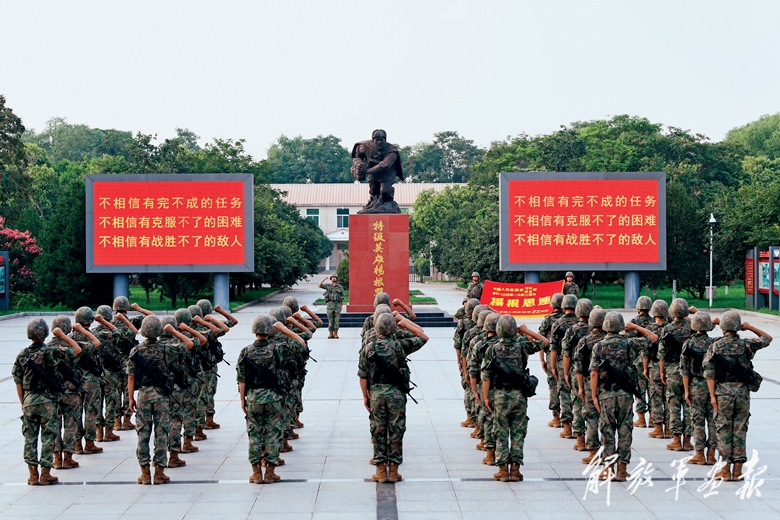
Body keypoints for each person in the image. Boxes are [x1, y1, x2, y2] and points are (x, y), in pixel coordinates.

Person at [359, 313, 428, 483]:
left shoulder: (368, 348)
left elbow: (363, 375)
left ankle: (381, 471)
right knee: (396, 430)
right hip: (396, 394)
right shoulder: (400, 346)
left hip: (376, 394)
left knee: (378, 430)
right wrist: (405, 323)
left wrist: (365, 396)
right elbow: (423, 337)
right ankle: (394, 471)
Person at [704, 311, 772, 481]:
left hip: (723, 393)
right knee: (740, 429)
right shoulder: (746, 344)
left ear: (723, 327)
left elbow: (710, 373)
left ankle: (725, 469)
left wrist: (712, 396)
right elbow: (768, 338)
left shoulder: (716, 346)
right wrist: (749, 327)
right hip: (742, 392)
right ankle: (738, 470)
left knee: (723, 430)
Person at [590, 312, 657, 481]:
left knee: (607, 431)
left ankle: (608, 469)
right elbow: (653, 337)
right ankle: (622, 469)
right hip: (625, 395)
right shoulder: (629, 343)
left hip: (606, 395)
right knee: (625, 431)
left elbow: (593, 373)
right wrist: (635, 327)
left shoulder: (599, 346)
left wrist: (594, 396)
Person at [14, 319, 81, 485]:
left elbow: (18, 380)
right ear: (45, 333)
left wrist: (23, 401)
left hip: (29, 399)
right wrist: (63, 336)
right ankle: (45, 474)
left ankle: (32, 475)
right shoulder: (52, 351)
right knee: (48, 436)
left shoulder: (22, 355)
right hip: (48, 401)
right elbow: (77, 350)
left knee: (30, 438)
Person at [482, 314, 548, 481]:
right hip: (519, 395)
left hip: (500, 396)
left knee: (500, 432)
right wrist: (527, 331)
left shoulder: (492, 348)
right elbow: (545, 342)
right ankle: (516, 470)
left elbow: (486, 376)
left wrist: (486, 397)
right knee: (518, 433)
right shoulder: (522, 346)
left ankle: (503, 471)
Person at [127, 315, 191, 485]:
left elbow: (131, 377)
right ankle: (160, 472)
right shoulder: (166, 349)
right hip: (162, 396)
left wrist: (130, 398)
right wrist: (174, 332)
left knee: (143, 434)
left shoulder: (136, 351)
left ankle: (145, 473)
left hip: (143, 395)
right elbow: (189, 344)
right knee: (161, 433)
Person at [158, 315, 206, 468]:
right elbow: (199, 341)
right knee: (176, 420)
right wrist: (182, 330)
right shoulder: (178, 344)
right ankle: (174, 455)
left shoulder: (157, 345)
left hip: (160, 389)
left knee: (160, 423)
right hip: (176, 388)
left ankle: (159, 458)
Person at [681, 312, 717, 466]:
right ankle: (712, 454)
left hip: (696, 386)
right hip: (713, 386)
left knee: (698, 421)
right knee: (713, 420)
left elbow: (684, 370)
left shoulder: (688, 344)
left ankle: (699, 454)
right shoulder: (714, 343)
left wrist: (687, 390)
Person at [658, 298, 694, 451]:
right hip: (690, 371)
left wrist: (662, 371)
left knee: (673, 405)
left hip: (672, 370)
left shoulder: (667, 329)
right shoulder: (692, 327)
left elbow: (662, 353)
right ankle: (687, 440)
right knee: (688, 405)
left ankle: (676, 440)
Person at [50, 315, 82, 469]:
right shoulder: (68, 347)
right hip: (71, 392)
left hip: (53, 393)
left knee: (55, 424)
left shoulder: (47, 347)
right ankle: (68, 458)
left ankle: (57, 459)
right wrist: (65, 337)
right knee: (70, 424)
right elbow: (78, 349)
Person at [575, 308, 607, 464]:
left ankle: (593, 451)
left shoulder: (585, 341)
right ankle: (608, 452)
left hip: (589, 383)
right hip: (609, 384)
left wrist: (580, 387)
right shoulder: (610, 340)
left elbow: (579, 367)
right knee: (607, 418)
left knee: (592, 417)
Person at [69, 308, 103, 455]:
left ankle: (77, 444)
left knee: (76, 412)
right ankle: (89, 443)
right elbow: (97, 343)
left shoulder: (69, 338)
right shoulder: (92, 336)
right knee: (91, 411)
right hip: (91, 380)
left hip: (74, 380)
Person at [561, 298, 593, 451]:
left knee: (578, 405)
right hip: (596, 374)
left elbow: (566, 355)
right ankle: (594, 440)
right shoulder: (597, 329)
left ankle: (580, 440)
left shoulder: (572, 331)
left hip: (578, 372)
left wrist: (566, 372)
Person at [351, 129, 404, 214]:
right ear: (373, 140)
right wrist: (359, 164)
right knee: (374, 192)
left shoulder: (391, 151)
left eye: (381, 140)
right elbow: (357, 155)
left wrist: (367, 170)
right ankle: (374, 205)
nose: (379, 142)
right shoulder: (365, 146)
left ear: (385, 140)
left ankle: (389, 203)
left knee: (384, 192)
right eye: (377, 140)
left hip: (387, 173)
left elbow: (384, 166)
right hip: (374, 173)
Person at [111, 296, 144, 431]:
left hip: (113, 363)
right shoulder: (130, 323)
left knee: (115, 392)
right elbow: (152, 318)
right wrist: (138, 309)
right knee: (126, 390)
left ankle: (116, 421)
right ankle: (126, 420)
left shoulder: (109, 323)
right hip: (126, 361)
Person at [92, 305, 123, 443]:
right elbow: (118, 332)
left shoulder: (92, 334)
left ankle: (99, 432)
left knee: (97, 402)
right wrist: (106, 323)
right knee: (111, 401)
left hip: (97, 372)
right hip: (111, 373)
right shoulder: (111, 334)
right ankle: (109, 431)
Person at [549, 294, 578, 439]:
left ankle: (567, 428)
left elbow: (553, 348)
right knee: (580, 395)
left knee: (565, 394)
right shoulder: (581, 323)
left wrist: (553, 366)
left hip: (562, 363)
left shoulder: (557, 324)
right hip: (581, 364)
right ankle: (581, 430)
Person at [643, 300, 671, 439]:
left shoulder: (650, 329)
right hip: (670, 366)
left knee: (656, 397)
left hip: (654, 365)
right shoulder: (670, 328)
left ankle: (658, 427)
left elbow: (645, 351)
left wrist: (644, 368)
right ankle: (670, 428)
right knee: (669, 398)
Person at [539, 293, 564, 427]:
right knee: (567, 388)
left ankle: (556, 417)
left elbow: (541, 341)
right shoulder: (572, 320)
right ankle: (568, 420)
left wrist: (542, 359)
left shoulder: (547, 321)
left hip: (551, 357)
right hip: (567, 358)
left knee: (553, 387)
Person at [629, 296, 654, 428]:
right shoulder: (653, 322)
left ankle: (641, 418)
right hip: (653, 360)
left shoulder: (634, 322)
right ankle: (652, 418)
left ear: (638, 308)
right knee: (653, 390)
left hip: (638, 361)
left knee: (640, 389)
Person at [454, 299, 480, 428]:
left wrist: (459, 362)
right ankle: (477, 422)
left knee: (469, 388)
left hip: (468, 361)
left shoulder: (464, 324)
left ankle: (471, 417)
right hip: (482, 362)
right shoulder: (486, 324)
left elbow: (458, 345)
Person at [319, 275, 345, 339]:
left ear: (336, 278)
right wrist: (324, 279)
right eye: (332, 277)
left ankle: (335, 333)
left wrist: (341, 306)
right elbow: (319, 285)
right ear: (331, 279)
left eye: (335, 277)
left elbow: (342, 298)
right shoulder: (328, 286)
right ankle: (330, 333)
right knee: (330, 320)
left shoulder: (340, 287)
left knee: (336, 320)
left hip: (337, 306)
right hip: (329, 306)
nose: (334, 278)